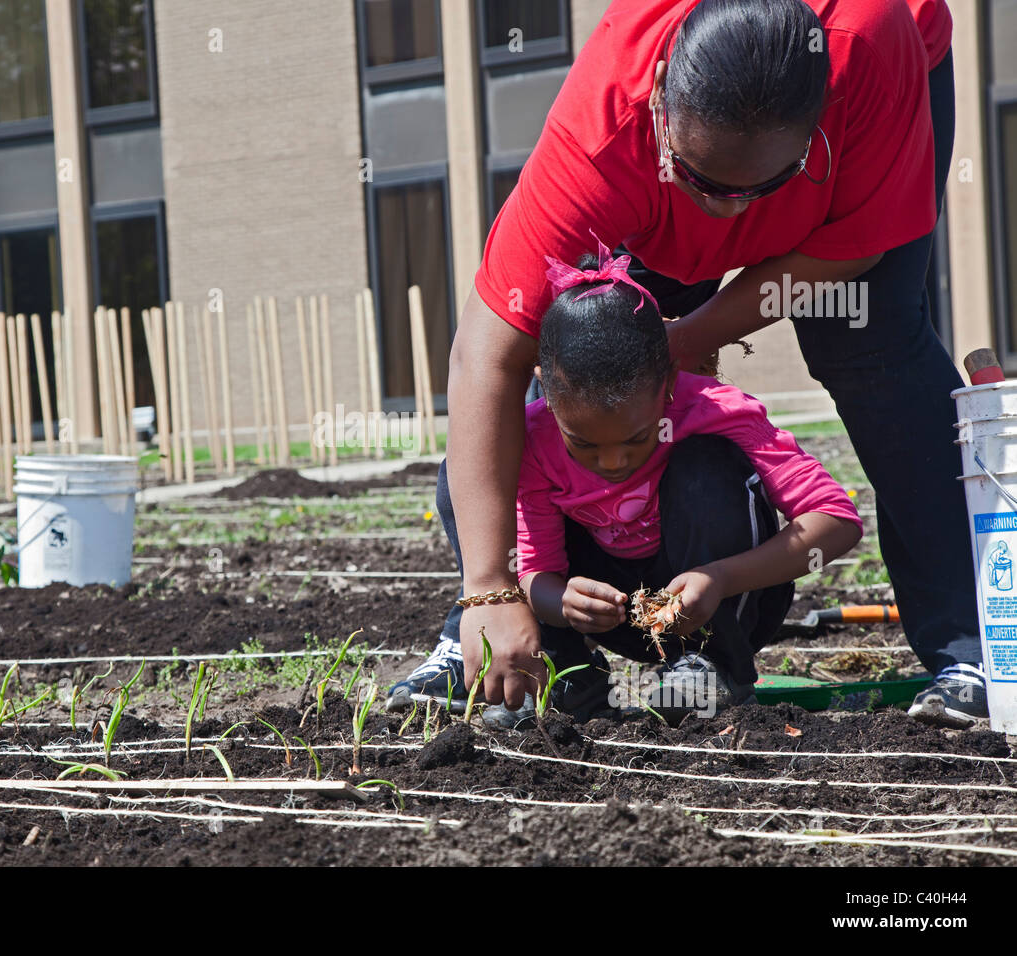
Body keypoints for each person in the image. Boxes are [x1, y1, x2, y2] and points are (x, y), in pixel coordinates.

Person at [391, 0, 985, 728]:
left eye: (759, 188)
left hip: (873, 100)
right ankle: (481, 636)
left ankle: (973, 644)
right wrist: (489, 588)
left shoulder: (868, 44)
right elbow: (488, 353)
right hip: (650, 175)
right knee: (601, 345)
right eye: (702, 179)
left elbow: (851, 247)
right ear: (664, 96)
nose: (731, 216)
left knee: (869, 343)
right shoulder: (602, 130)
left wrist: (683, 342)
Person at [390, 243, 863, 724]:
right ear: (548, 396)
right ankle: (569, 677)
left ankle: (714, 666)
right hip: (615, 613)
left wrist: (721, 578)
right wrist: (563, 601)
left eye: (637, 440)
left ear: (670, 381)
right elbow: (533, 572)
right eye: (585, 445)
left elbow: (837, 522)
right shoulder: (534, 439)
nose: (613, 461)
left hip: (723, 603)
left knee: (703, 467)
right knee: (478, 469)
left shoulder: (716, 410)